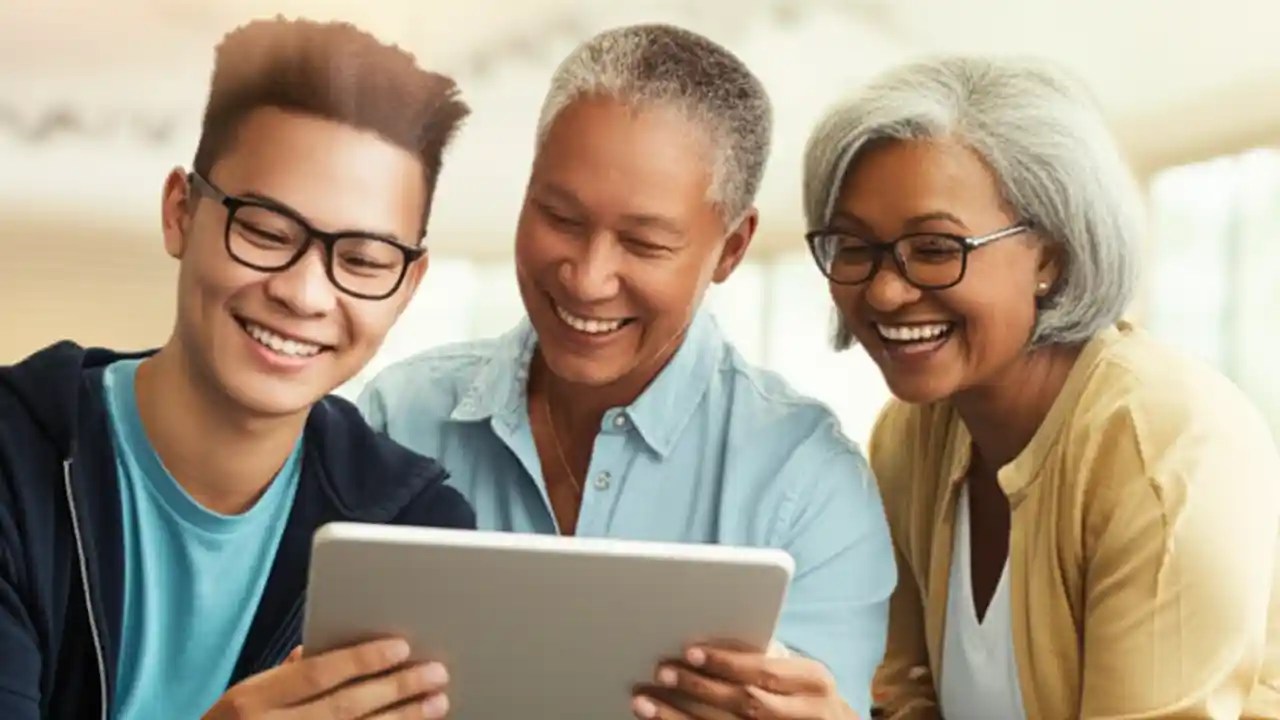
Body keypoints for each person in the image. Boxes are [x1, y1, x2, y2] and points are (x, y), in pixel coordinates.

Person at [359, 22, 895, 720]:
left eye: (644, 243)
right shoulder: (398, 420)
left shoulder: (807, 484)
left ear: (731, 250)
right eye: (559, 215)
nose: (586, 278)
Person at [0, 17, 479, 719]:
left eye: (364, 261)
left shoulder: (418, 535)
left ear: (407, 286)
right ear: (180, 213)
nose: (304, 294)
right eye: (264, 230)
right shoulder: (15, 461)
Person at [801, 54, 1280, 719]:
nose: (884, 289)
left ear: (1050, 256)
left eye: (936, 248)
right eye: (854, 246)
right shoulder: (909, 437)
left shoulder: (1164, 447)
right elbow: (900, 701)